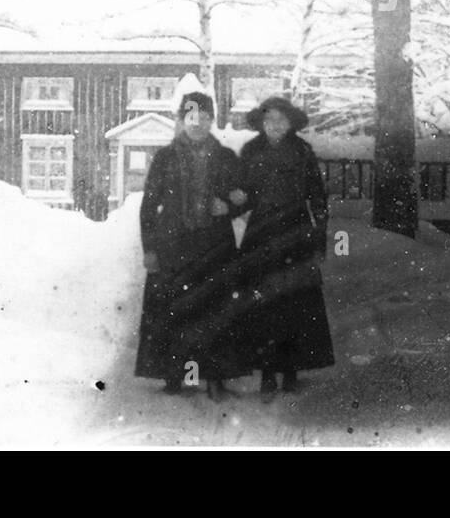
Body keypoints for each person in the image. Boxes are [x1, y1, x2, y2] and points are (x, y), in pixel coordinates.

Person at [135, 90, 249, 401]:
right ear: (183, 120)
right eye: (191, 117)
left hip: (214, 246)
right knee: (176, 312)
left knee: (215, 311)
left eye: (204, 117)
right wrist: (150, 249)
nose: (197, 123)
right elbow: (149, 206)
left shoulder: (226, 157)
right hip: (174, 247)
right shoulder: (165, 158)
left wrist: (229, 207)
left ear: (212, 120)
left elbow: (243, 196)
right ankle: (177, 375)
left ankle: (214, 376)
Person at [235, 96, 334, 395]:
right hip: (262, 234)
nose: (275, 125)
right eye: (270, 120)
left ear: (290, 123)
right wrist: (237, 200)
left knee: (295, 303)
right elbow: (244, 194)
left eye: (281, 120)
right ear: (262, 123)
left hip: (296, 232)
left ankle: (290, 369)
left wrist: (320, 236)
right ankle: (266, 371)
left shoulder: (303, 151)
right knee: (264, 301)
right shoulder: (250, 151)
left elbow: (317, 198)